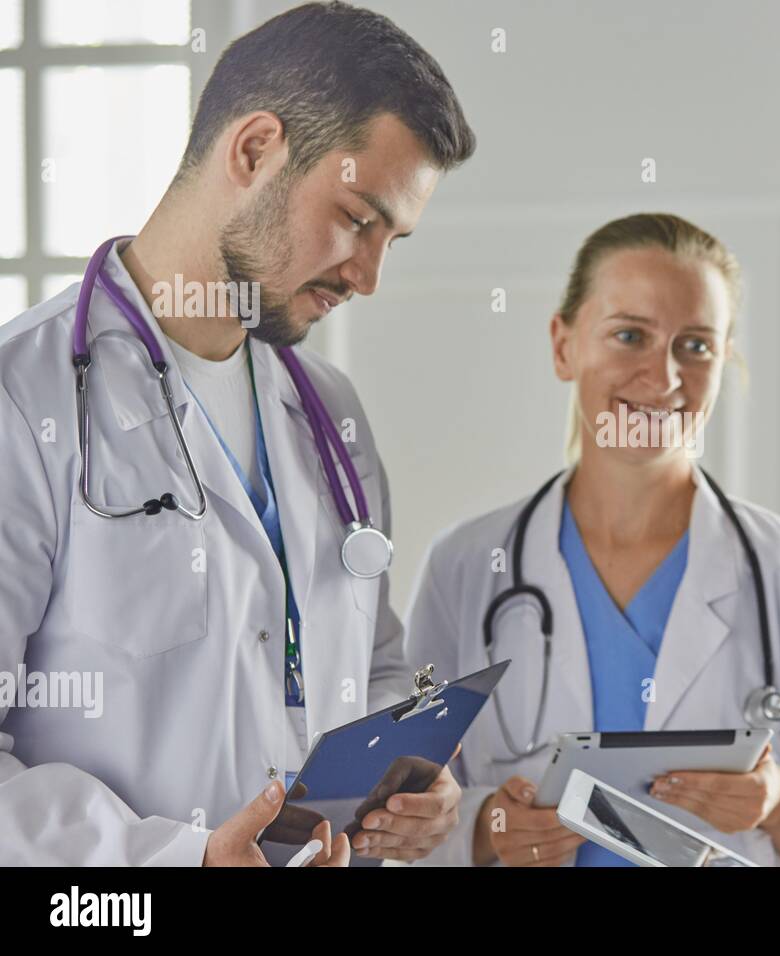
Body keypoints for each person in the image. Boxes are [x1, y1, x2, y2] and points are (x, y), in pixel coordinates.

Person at [0, 1, 475, 865]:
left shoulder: (329, 411)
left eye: (392, 241)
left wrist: (414, 780)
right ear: (254, 149)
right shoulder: (20, 400)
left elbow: (370, 662)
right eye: (358, 218)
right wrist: (178, 860)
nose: (368, 276)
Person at [404, 212, 780, 867]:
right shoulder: (467, 568)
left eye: (695, 345)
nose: (663, 377)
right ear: (563, 346)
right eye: (629, 335)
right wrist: (482, 825)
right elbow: (403, 806)